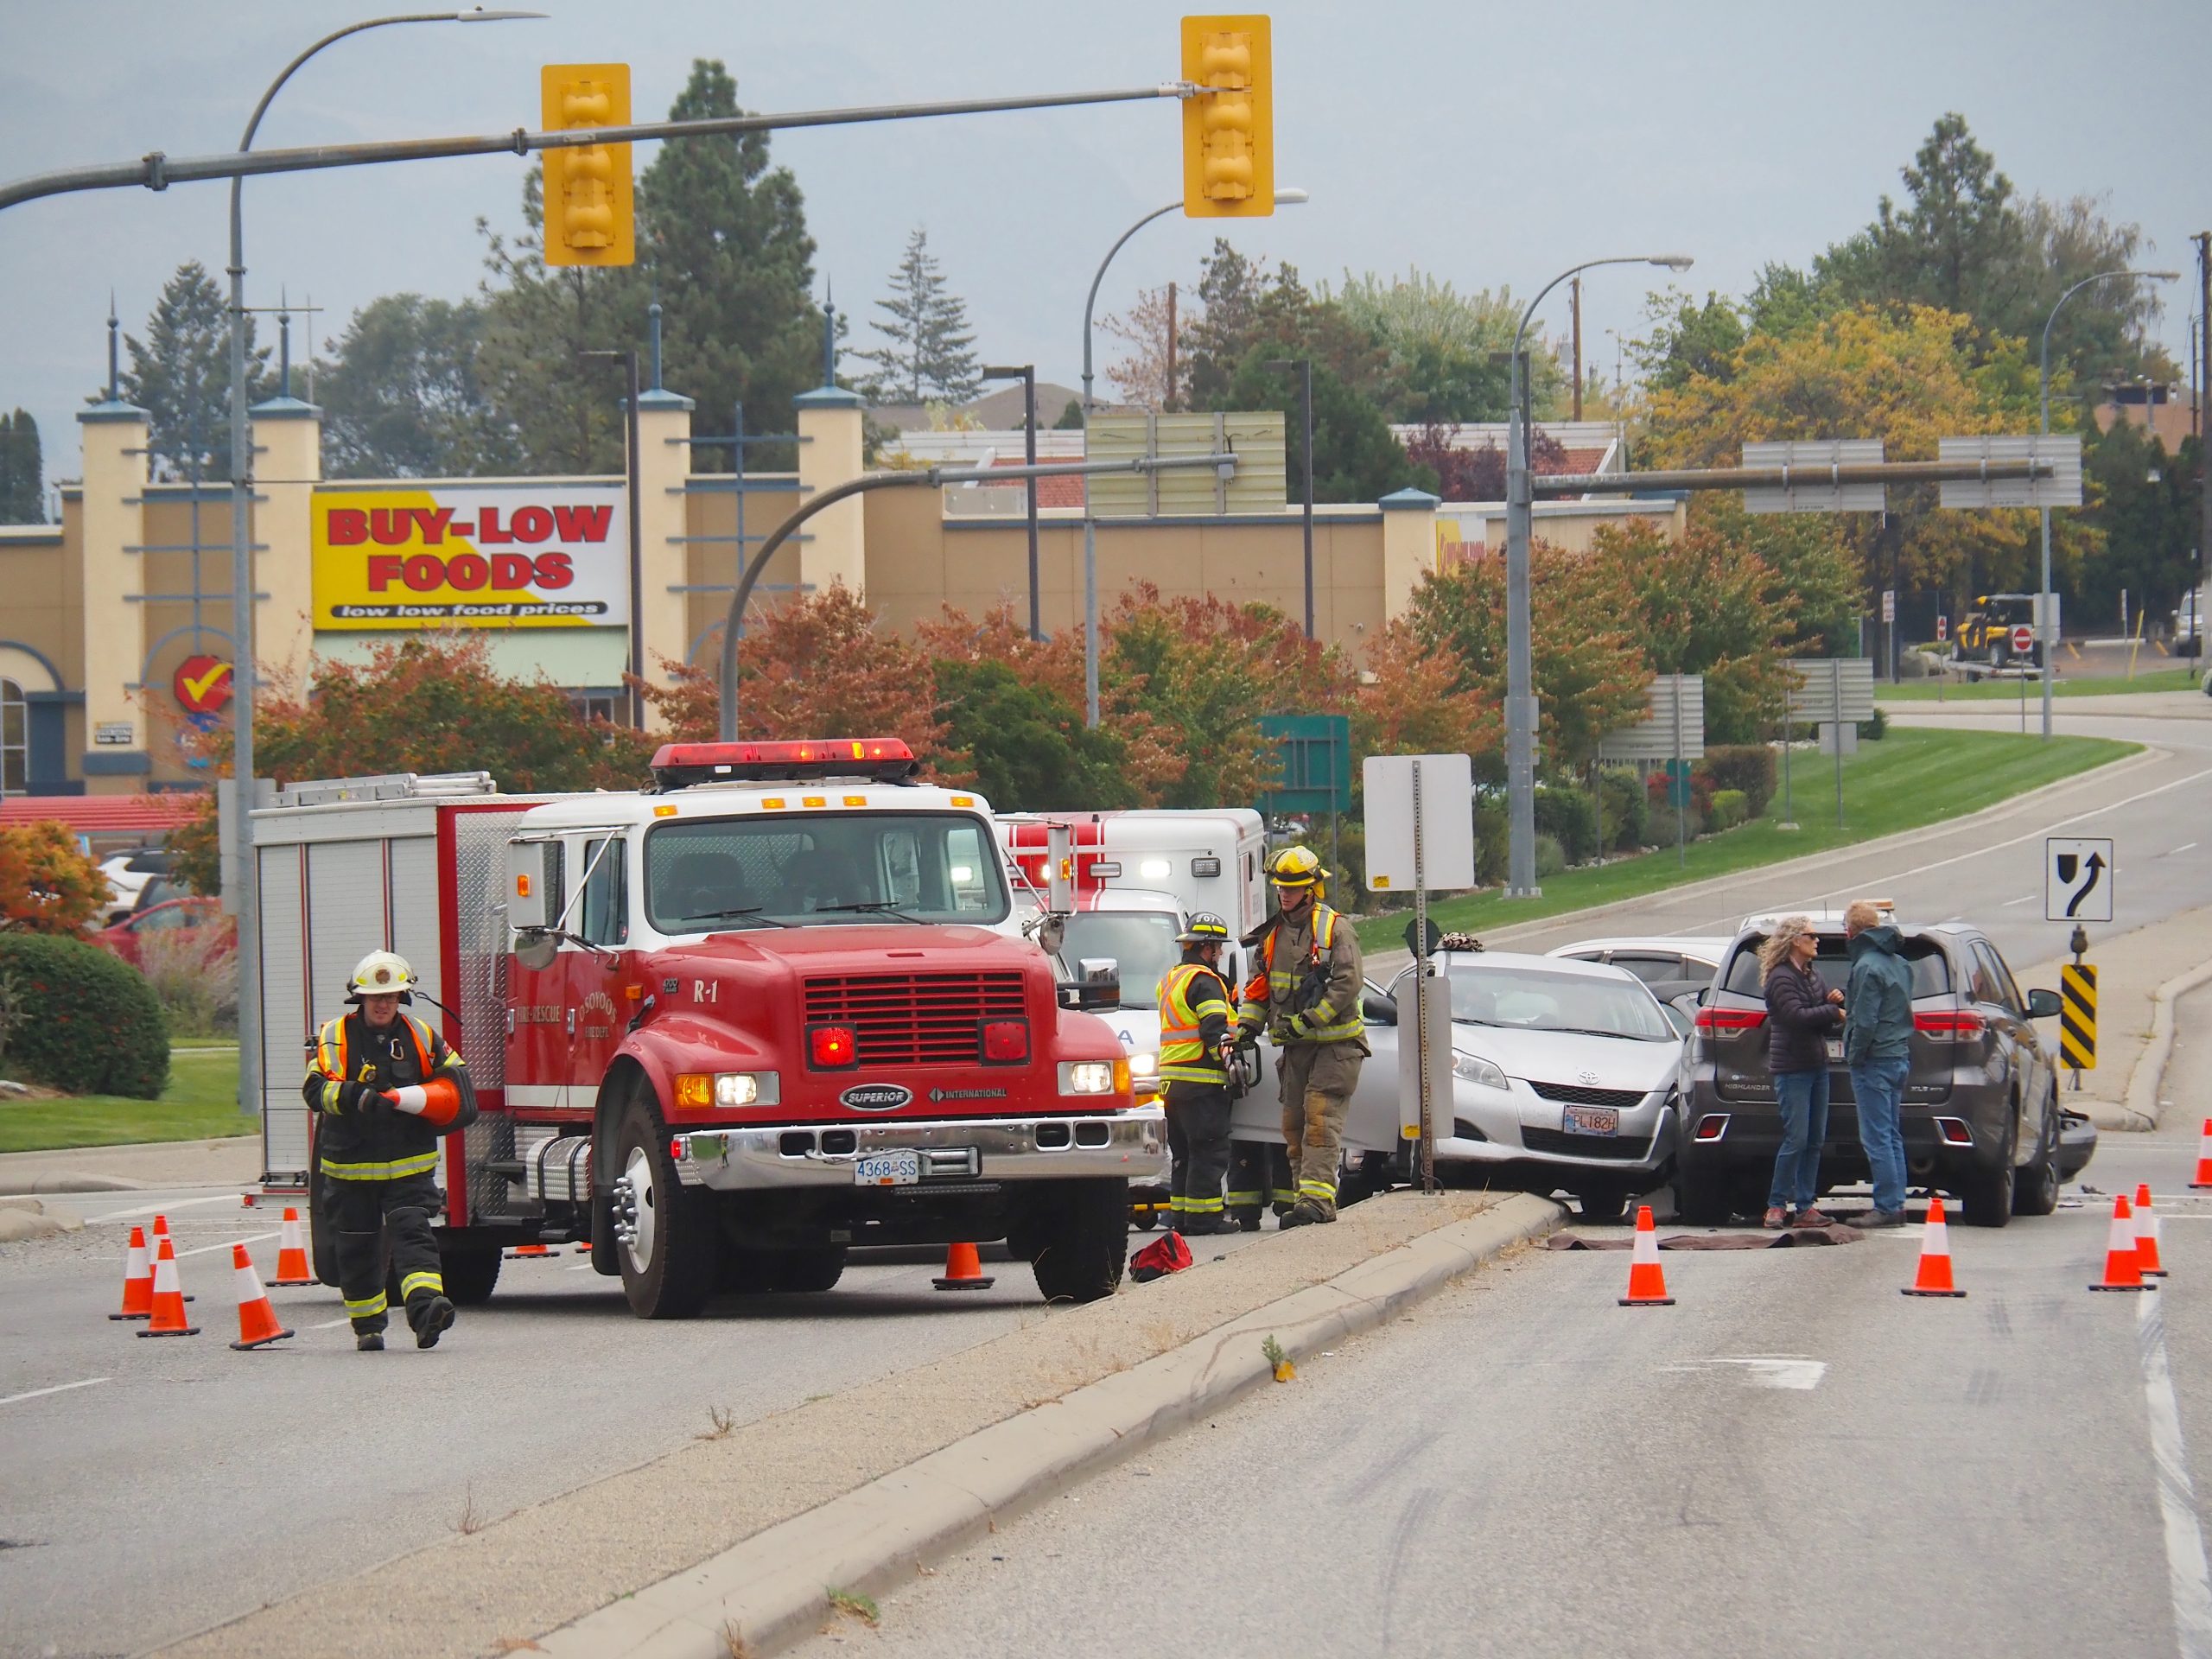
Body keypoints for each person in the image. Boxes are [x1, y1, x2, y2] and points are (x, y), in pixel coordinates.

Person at [304, 950, 478, 1351]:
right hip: (350, 1169)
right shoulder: (336, 1036)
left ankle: (427, 1310)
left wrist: (432, 1097)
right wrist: (355, 1097)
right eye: (375, 997)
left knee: (415, 1235)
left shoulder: (421, 1036)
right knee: (358, 1249)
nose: (383, 1004)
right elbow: (315, 1090)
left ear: (402, 997)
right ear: (360, 998)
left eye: (391, 996)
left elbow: (456, 1080)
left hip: (408, 1166)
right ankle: (368, 1327)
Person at [1236, 846, 1369, 1226]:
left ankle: (1318, 1202)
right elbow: (1260, 988)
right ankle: (1303, 1199)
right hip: (1297, 1050)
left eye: (1292, 888)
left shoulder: (1335, 929)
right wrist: (1247, 1027)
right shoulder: (1273, 935)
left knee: (1320, 1120)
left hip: (1336, 1048)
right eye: (1281, 887)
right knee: (1293, 1125)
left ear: (1311, 888)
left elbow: (1348, 983)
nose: (1285, 893)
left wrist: (1308, 1020)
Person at [1759, 916, 1845, 1230]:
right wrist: (1832, 1010)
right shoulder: (1781, 977)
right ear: (1796, 940)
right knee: (1796, 1138)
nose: (1817, 940)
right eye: (1811, 935)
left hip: (1817, 1065)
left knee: (1814, 1140)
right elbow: (1795, 1017)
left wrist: (1831, 1002)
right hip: (1792, 1067)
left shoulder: (1812, 974)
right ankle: (1776, 1205)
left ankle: (1806, 1205)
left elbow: (1818, 1020)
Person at [1155, 912, 1237, 1236]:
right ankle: (1204, 1219)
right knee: (1209, 1150)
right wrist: (1230, 1062)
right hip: (1201, 1082)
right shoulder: (1205, 981)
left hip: (1172, 1083)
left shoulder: (1171, 979)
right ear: (1206, 947)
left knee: (1184, 1154)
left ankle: (1182, 1217)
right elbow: (1215, 1031)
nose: (1220, 953)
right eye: (1218, 947)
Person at [1841, 900, 1914, 1227]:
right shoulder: (1900, 963)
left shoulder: (1866, 967)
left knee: (1876, 1136)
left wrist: (1854, 1054)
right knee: (1891, 1133)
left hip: (1875, 1060)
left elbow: (1865, 1019)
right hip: (1898, 1054)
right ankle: (1896, 1202)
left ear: (1851, 931)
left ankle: (1886, 1205)